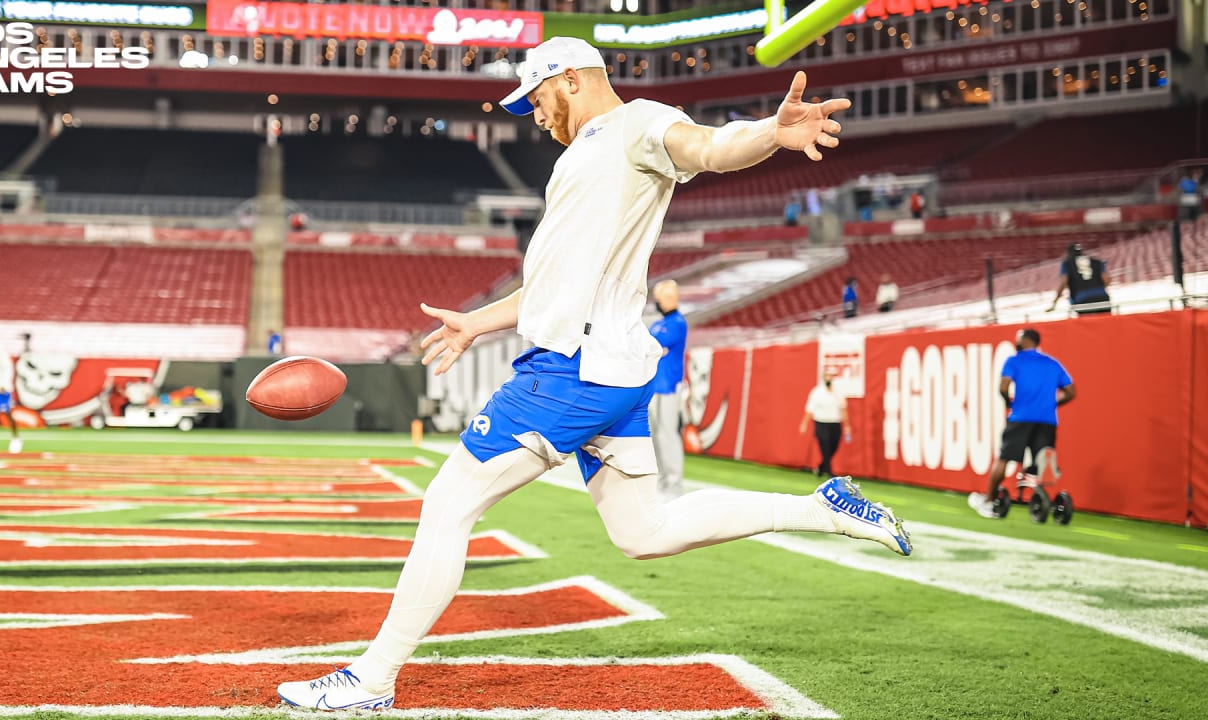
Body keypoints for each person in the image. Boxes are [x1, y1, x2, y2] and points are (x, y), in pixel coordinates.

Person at [276, 36, 912, 711]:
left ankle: (371, 679)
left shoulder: (635, 123)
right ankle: (821, 509)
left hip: (573, 370)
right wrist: (476, 323)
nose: (534, 114)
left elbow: (709, 148)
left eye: (538, 97)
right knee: (643, 533)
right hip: (614, 367)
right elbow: (553, 286)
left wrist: (768, 134)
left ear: (572, 78)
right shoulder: (583, 158)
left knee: (447, 505)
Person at [968, 328, 1075, 519]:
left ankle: (989, 501)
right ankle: (1045, 499)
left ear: (1026, 340)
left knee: (1004, 458)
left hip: (1021, 417)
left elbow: (1003, 386)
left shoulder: (1014, 361)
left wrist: (1008, 401)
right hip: (1047, 420)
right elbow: (1071, 391)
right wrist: (1052, 404)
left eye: (1018, 339)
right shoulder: (1052, 364)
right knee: (1044, 461)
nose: (1016, 342)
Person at [647, 279, 687, 501]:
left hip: (669, 386)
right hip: (655, 386)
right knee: (656, 436)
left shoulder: (677, 323)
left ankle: (674, 485)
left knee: (668, 434)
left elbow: (651, 345)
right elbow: (651, 347)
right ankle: (663, 480)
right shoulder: (657, 324)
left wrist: (654, 348)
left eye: (659, 298)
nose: (657, 303)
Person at [798, 370, 849, 479]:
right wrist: (804, 424)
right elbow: (810, 409)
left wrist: (847, 426)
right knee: (825, 447)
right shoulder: (817, 392)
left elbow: (843, 409)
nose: (829, 378)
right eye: (827, 376)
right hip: (821, 423)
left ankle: (821, 468)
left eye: (831, 376)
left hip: (835, 423)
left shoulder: (838, 392)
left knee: (833, 447)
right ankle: (830, 473)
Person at [1047, 243, 1110, 315]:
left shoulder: (1067, 264)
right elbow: (1106, 279)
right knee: (1106, 324)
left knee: (1087, 325)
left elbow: (1064, 282)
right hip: (1102, 297)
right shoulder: (1096, 262)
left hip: (1081, 299)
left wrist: (1055, 302)